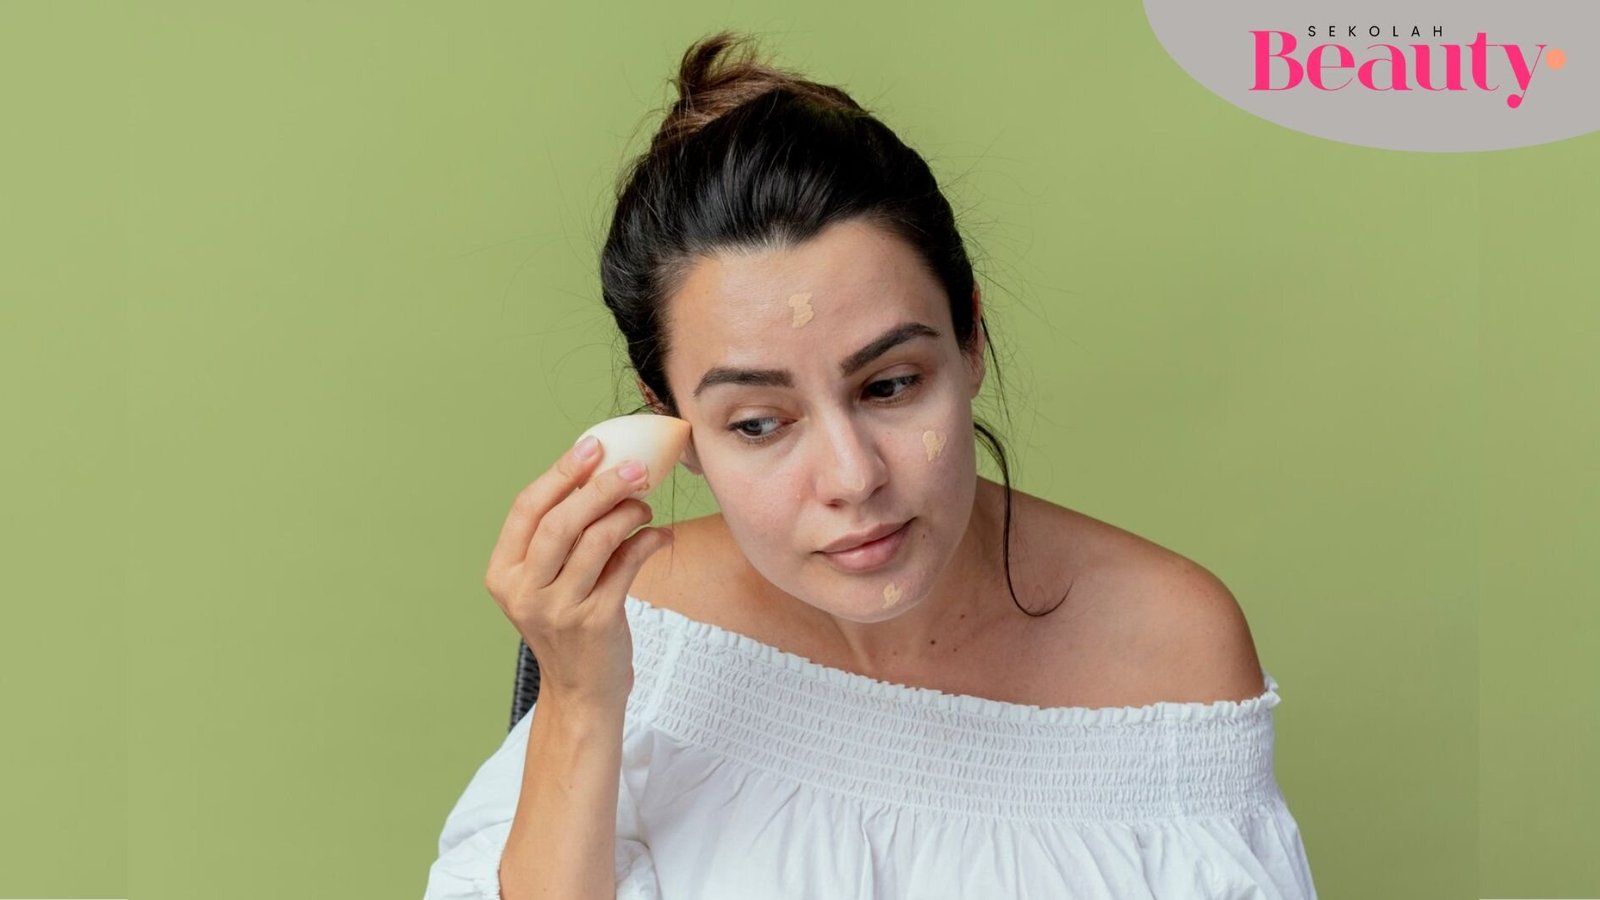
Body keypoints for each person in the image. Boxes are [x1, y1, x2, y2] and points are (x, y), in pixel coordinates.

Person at [424, 30, 1319, 900]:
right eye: (761, 423)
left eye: (890, 386)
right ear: (670, 423)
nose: (852, 479)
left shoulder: (1170, 655)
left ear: (971, 338)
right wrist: (582, 696)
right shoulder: (641, 627)